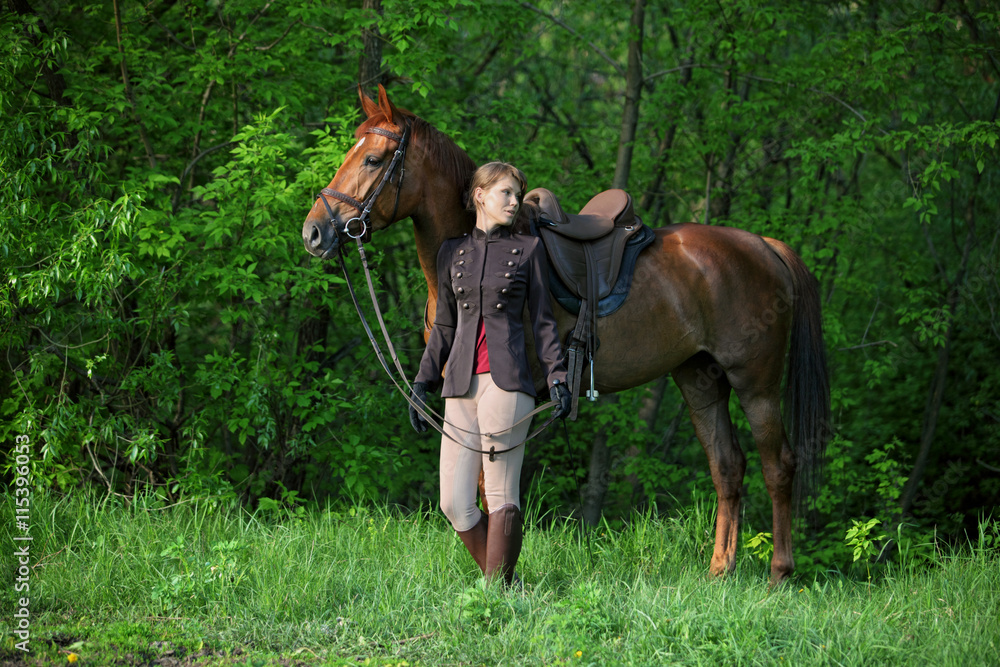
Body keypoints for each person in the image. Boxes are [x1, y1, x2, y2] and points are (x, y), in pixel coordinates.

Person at [408, 161, 572, 586]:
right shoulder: (451, 252)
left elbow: (543, 323)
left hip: (507, 384)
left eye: (517, 194)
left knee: (500, 496)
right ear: (480, 195)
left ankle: (494, 598)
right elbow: (444, 325)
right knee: (454, 502)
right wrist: (423, 381)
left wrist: (558, 377)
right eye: (506, 192)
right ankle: (508, 587)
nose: (515, 201)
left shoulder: (528, 251)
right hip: (459, 386)